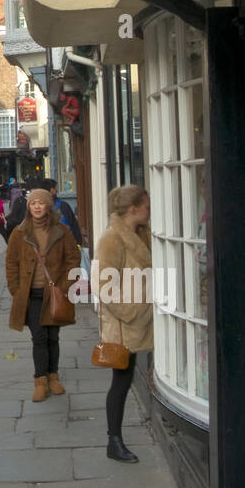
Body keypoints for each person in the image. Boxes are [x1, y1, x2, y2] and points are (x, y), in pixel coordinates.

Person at [5, 187, 81, 402]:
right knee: (38, 338)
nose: (37, 207)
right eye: (33, 203)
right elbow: (11, 263)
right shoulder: (19, 233)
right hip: (30, 295)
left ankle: (53, 376)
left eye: (41, 203)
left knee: (52, 337)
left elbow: (72, 260)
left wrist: (66, 285)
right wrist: (16, 289)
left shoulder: (62, 231)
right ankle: (40, 381)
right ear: (29, 207)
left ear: (48, 205)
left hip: (55, 294)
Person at [95, 185, 154, 463]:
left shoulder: (141, 233)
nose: (149, 210)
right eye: (146, 206)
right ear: (133, 209)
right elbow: (103, 285)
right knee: (121, 381)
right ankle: (114, 441)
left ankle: (115, 440)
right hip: (124, 324)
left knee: (131, 377)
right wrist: (132, 311)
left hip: (147, 318)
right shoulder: (112, 238)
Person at [43, 179, 83, 245]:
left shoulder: (38, 208)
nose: (57, 190)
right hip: (65, 242)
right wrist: (78, 242)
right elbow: (73, 224)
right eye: (55, 188)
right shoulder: (62, 205)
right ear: (52, 190)